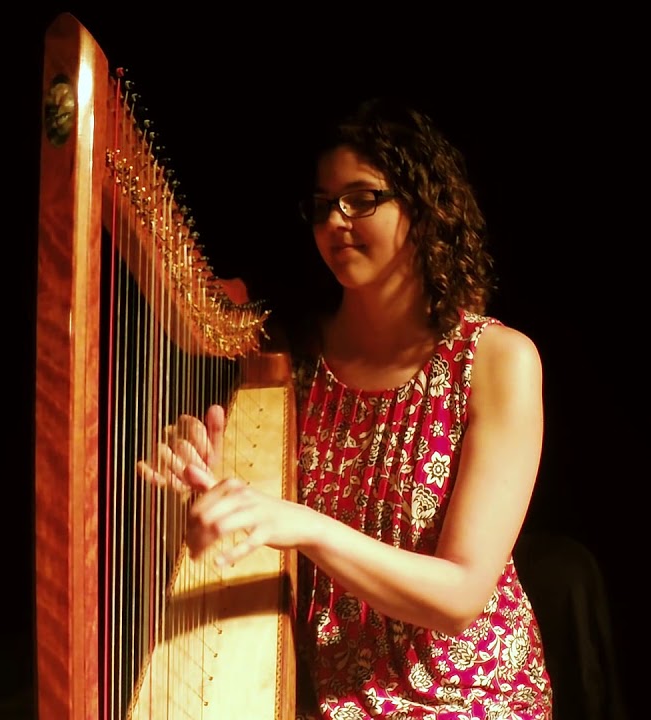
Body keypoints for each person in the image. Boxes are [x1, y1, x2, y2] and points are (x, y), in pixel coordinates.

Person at [138, 95, 553, 719]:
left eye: (361, 198)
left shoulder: (497, 360)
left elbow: (463, 591)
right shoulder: (292, 364)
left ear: (424, 206)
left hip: (465, 694)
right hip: (328, 691)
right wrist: (201, 498)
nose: (335, 221)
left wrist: (301, 523)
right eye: (322, 205)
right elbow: (246, 540)